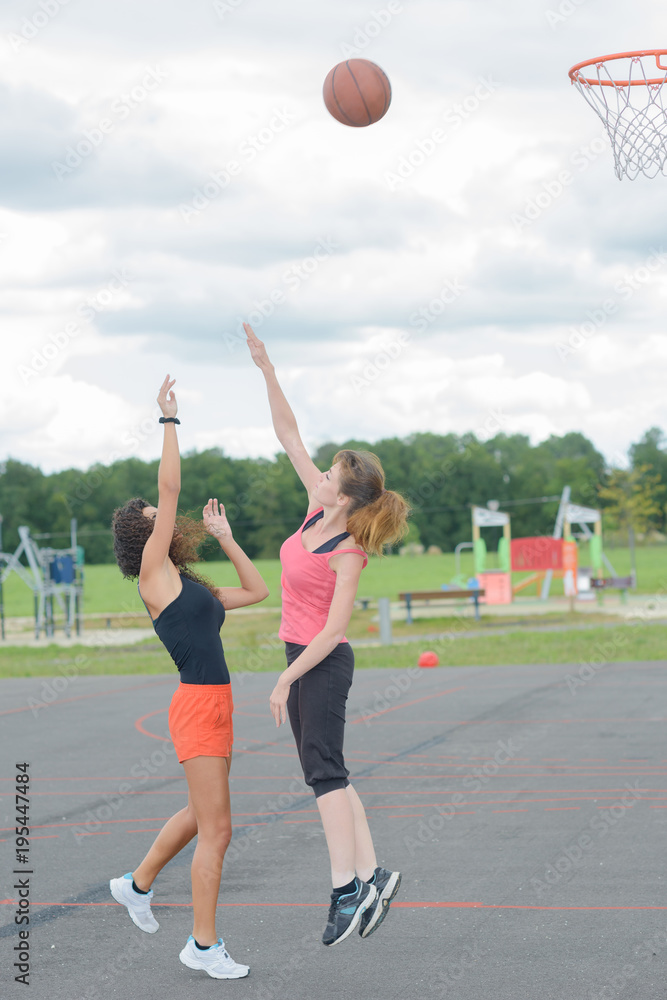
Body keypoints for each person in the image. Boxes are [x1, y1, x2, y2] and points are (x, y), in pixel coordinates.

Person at [244, 323, 410, 947]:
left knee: (323, 774)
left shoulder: (347, 552)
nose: (317, 474)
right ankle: (373, 874)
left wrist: (287, 677)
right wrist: (267, 369)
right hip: (301, 657)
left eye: (329, 473)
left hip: (322, 662)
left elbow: (335, 630)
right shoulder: (316, 509)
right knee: (332, 771)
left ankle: (348, 891)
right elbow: (287, 433)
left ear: (342, 498)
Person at [109, 375, 269, 980]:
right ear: (143, 537)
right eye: (155, 519)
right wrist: (169, 422)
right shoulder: (154, 577)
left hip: (218, 703)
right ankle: (202, 947)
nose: (166, 520)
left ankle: (137, 883)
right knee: (219, 831)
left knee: (205, 819)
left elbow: (257, 590)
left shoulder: (190, 587)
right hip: (198, 706)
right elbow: (169, 487)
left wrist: (228, 539)